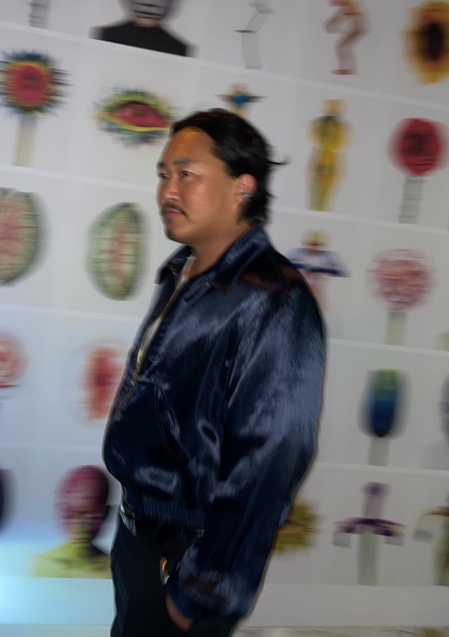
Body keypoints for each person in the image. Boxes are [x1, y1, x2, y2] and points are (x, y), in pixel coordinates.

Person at [103, 109, 325, 636]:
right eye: (163, 174)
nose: (167, 191)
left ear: (242, 187)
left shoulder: (276, 299)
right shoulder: (181, 272)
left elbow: (272, 458)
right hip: (138, 538)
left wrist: (203, 586)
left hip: (190, 561)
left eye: (187, 174)